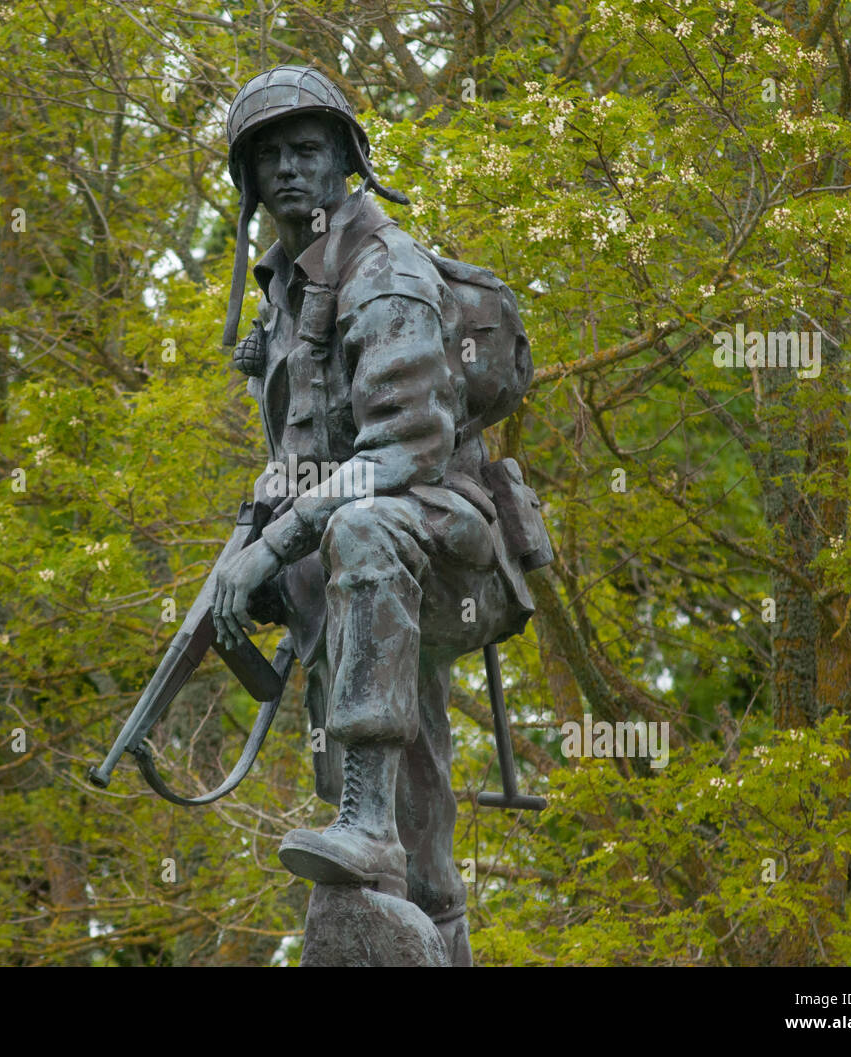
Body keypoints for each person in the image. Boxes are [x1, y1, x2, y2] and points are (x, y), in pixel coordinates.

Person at [208, 65, 537, 966]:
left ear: (347, 159)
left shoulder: (385, 272)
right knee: (419, 820)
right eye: (268, 155)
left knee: (363, 527)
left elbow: (399, 452)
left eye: (307, 150)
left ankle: (366, 823)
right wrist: (260, 559)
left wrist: (275, 541)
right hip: (361, 574)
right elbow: (302, 453)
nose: (287, 171)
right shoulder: (284, 290)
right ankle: (421, 904)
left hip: (438, 534)